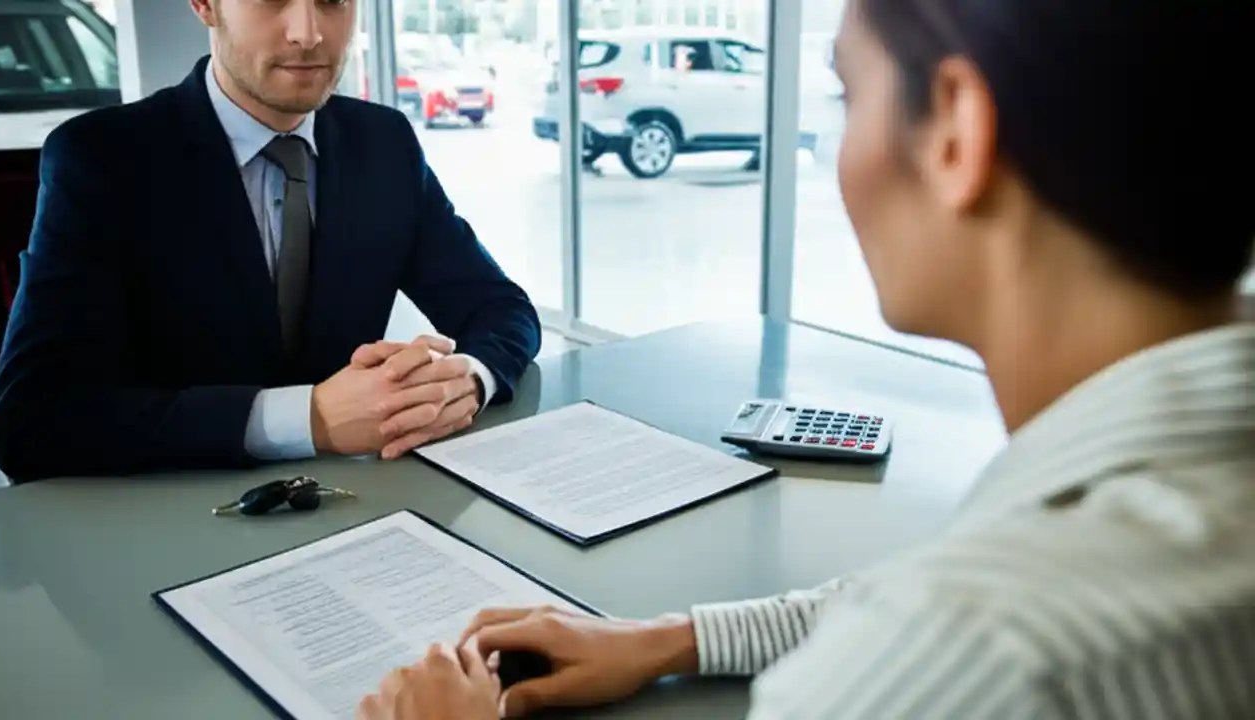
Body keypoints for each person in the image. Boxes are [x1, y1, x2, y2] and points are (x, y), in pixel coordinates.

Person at [357, 1, 1255, 718]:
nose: (836, 152)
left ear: (956, 133)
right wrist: (676, 639)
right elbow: (904, 594)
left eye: (847, 97)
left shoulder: (974, 650)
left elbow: (944, 634)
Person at [0, 0, 541, 481]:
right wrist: (310, 418)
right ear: (205, 5)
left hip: (362, 513)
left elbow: (500, 308)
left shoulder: (383, 142)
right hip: (170, 525)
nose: (309, 32)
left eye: (332, 0)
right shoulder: (104, 160)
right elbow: (31, 422)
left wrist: (466, 381)